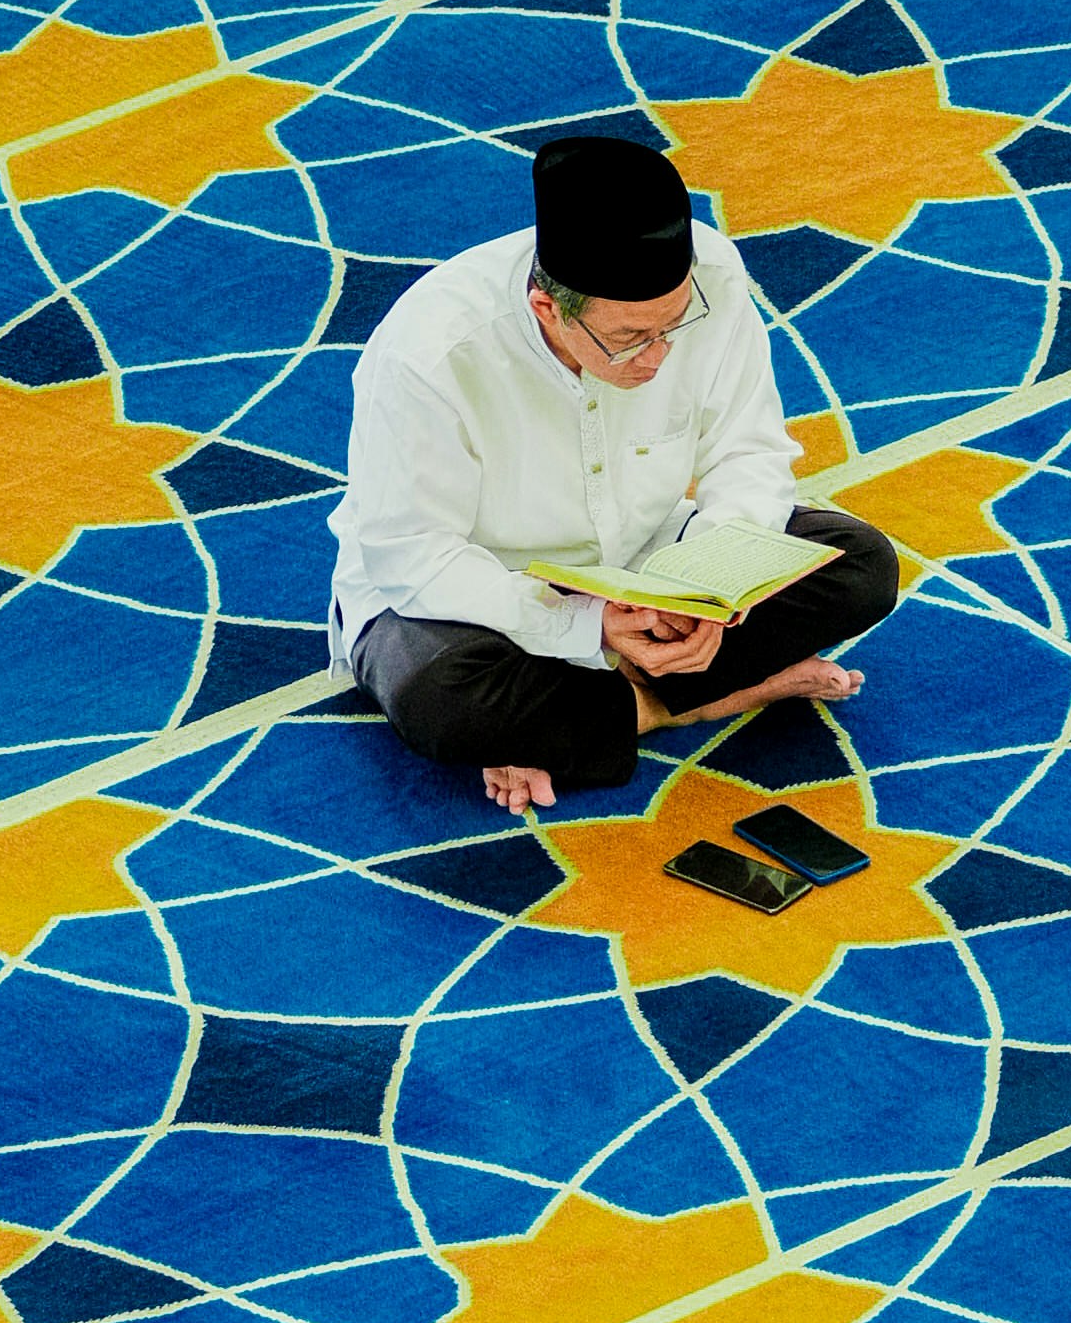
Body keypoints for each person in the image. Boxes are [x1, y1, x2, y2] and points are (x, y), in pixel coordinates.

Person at [332, 132, 900, 815]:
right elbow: (414, 557)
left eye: (673, 325)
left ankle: (591, 719)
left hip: (648, 562)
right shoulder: (429, 355)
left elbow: (748, 451)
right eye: (630, 339)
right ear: (549, 309)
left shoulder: (712, 278)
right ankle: (686, 705)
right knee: (440, 698)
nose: (659, 356)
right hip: (479, 602)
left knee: (861, 564)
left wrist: (708, 589)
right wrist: (588, 626)